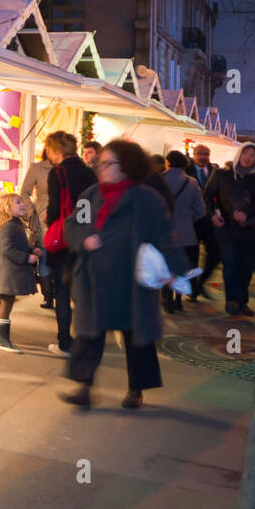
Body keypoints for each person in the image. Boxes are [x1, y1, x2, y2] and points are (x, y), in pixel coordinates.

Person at [61, 140, 173, 410]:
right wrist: (85, 238)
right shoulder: (91, 195)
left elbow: (164, 236)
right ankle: (84, 386)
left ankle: (136, 388)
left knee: (136, 337)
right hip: (94, 278)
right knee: (89, 334)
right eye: (101, 163)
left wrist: (168, 269)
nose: (101, 168)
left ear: (127, 167)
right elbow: (75, 224)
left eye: (108, 163)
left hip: (132, 280)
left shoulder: (147, 199)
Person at [44, 130, 95, 358]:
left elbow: (55, 207)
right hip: (87, 237)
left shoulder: (58, 172)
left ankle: (65, 342)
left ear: (56, 151)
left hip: (64, 239)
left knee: (62, 292)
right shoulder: (89, 172)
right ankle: (88, 339)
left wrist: (50, 217)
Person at [204, 142, 255, 317]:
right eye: (245, 153)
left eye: (252, 155)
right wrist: (213, 215)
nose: (248, 157)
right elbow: (207, 196)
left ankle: (242, 302)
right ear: (239, 154)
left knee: (246, 267)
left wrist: (248, 215)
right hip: (226, 228)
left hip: (249, 230)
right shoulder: (222, 175)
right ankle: (232, 300)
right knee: (231, 262)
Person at [0, 193, 40, 353]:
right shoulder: (10, 226)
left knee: (5, 303)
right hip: (9, 274)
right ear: (7, 208)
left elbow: (16, 246)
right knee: (7, 304)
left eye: (21, 202)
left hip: (9, 273)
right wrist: (26, 257)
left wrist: (30, 250)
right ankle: (2, 339)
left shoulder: (15, 223)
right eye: (18, 202)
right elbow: (7, 249)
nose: (22, 204)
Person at [162, 151, 205, 313]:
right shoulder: (192, 183)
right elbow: (201, 210)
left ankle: (166, 298)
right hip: (186, 232)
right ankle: (178, 299)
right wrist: (187, 218)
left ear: (168, 162)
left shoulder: (160, 179)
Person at [20, 149, 54, 307]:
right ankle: (48, 296)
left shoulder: (66, 168)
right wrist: (30, 210)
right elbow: (24, 192)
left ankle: (60, 294)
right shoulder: (37, 168)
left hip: (64, 218)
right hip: (43, 218)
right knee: (45, 257)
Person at [186, 144, 219, 297]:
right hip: (191, 220)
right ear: (194, 154)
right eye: (200, 153)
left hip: (209, 220)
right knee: (192, 257)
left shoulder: (214, 172)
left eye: (206, 153)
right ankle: (193, 289)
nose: (203, 156)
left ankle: (200, 282)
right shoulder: (186, 170)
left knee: (215, 254)